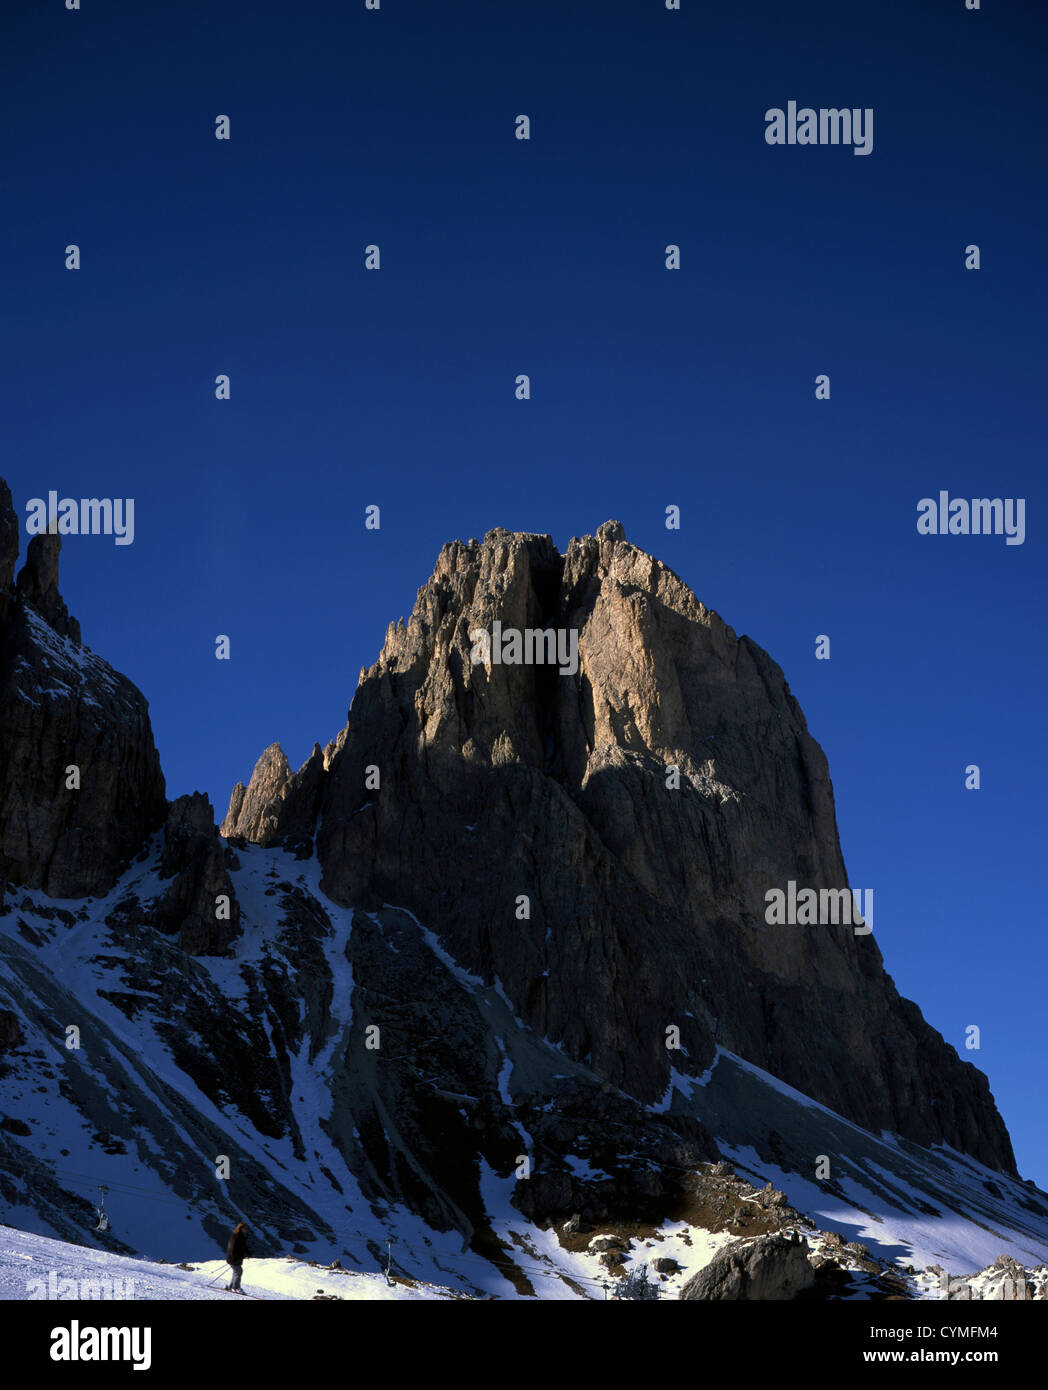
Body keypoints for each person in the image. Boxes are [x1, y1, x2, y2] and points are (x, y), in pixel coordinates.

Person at [225, 1221, 249, 1293]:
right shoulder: (237, 1236)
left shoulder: (239, 1236)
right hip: (234, 1257)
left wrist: (247, 1253)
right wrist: (234, 1256)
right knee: (238, 1271)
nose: (246, 1230)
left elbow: (242, 1247)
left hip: (235, 1257)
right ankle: (236, 1288)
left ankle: (231, 1287)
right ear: (241, 1228)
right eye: (245, 1228)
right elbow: (232, 1248)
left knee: (236, 1272)